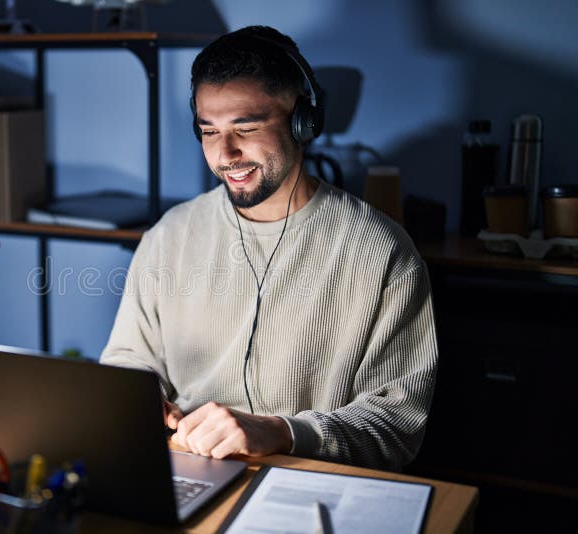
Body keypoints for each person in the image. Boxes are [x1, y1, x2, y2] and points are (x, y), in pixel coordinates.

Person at [100, 25, 437, 471]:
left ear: (303, 122)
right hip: (184, 470)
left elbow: (396, 427)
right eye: (209, 130)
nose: (226, 154)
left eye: (247, 127)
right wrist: (142, 397)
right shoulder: (169, 235)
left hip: (305, 480)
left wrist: (282, 431)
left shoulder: (382, 253)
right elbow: (127, 360)